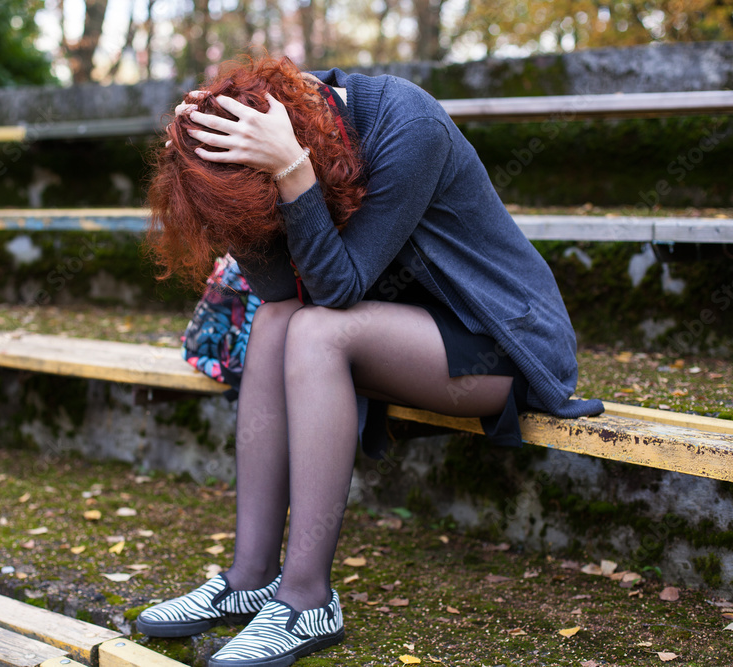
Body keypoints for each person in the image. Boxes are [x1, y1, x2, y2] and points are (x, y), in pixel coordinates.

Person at [138, 55, 603, 667]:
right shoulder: (303, 132)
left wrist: (292, 171)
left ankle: (307, 601)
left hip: (501, 338)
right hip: (404, 327)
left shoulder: (406, 123)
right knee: (278, 320)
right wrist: (208, 170)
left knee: (316, 333)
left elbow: (337, 289)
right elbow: (279, 292)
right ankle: (250, 577)